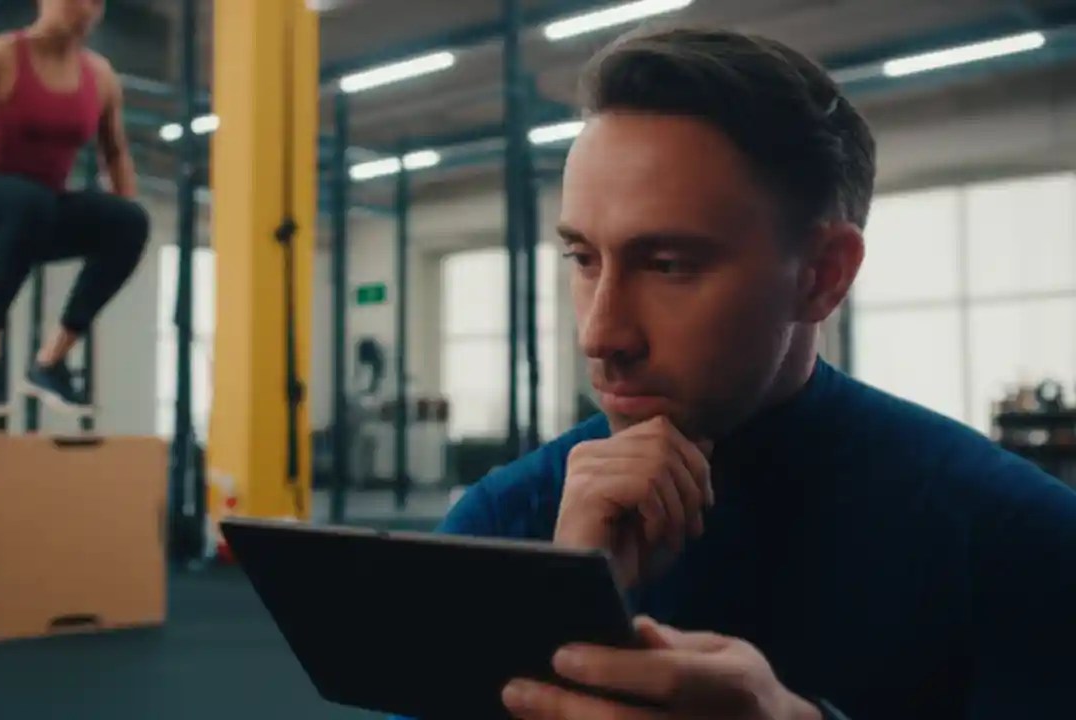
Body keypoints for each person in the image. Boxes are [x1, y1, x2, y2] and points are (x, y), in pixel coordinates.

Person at [417, 26, 1076, 720]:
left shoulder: (1022, 544)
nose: (599, 332)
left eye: (669, 265)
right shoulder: (497, 526)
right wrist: (557, 609)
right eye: (583, 259)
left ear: (821, 276)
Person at [0, 0, 148, 419]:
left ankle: (50, 362)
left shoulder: (101, 77)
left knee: (131, 221)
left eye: (96, 1)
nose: (87, 9)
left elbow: (116, 151)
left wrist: (122, 231)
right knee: (29, 201)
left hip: (35, 213)